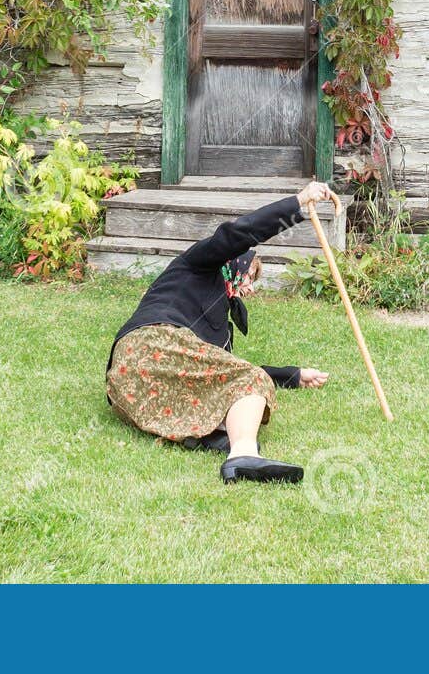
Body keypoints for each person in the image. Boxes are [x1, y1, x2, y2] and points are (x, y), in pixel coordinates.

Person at [106, 181, 334, 484]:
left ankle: (215, 441)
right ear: (234, 261)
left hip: (130, 386)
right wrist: (298, 203)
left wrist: (291, 375)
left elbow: (222, 370)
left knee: (241, 383)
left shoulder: (219, 327)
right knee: (250, 381)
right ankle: (243, 454)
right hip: (150, 343)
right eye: (249, 275)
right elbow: (238, 233)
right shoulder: (199, 264)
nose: (249, 287)